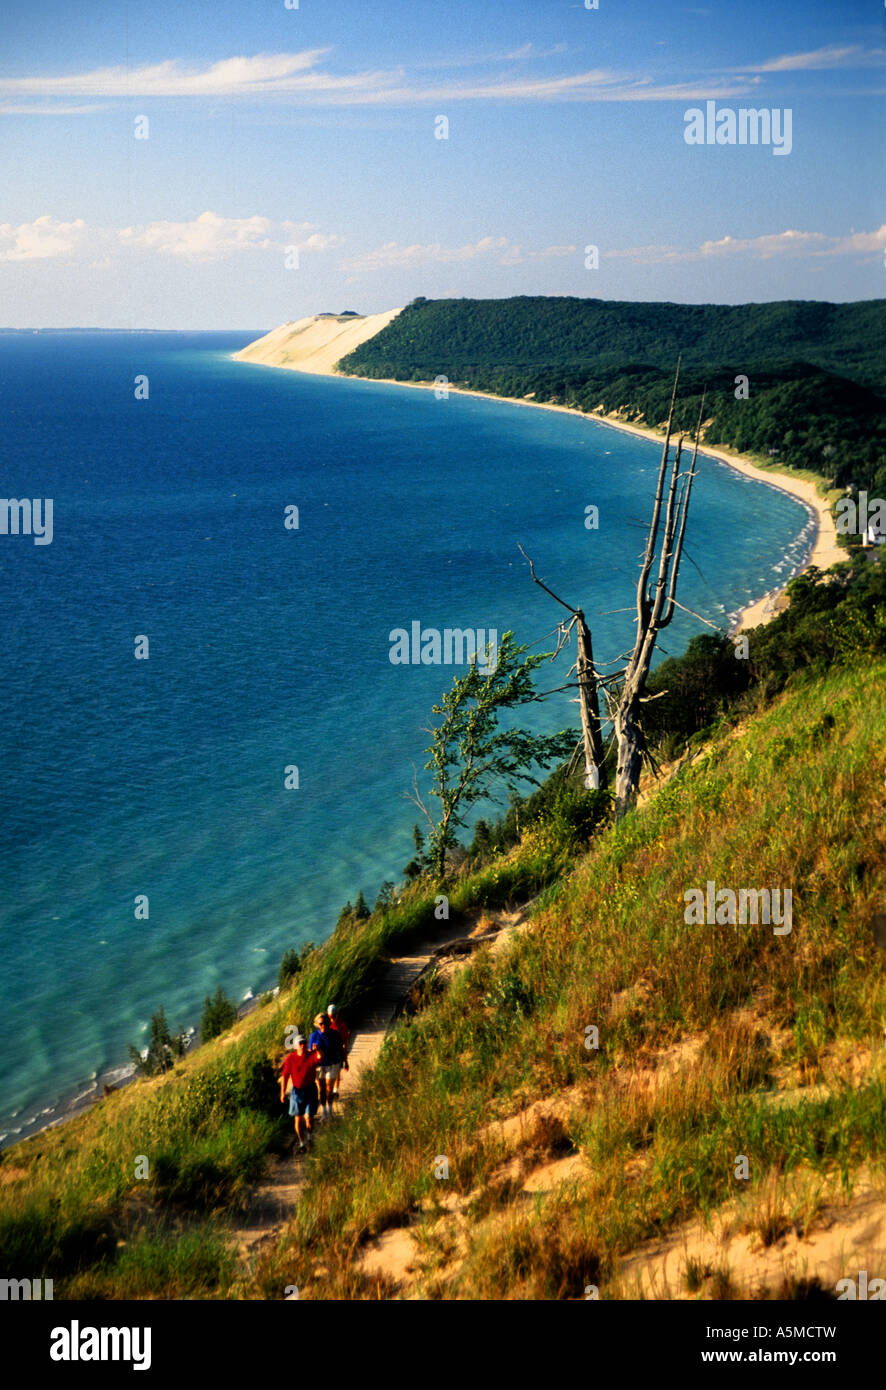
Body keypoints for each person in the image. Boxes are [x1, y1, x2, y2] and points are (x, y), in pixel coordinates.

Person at [279, 1031, 320, 1153]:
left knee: (309, 1117)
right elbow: (285, 1076)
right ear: (296, 1045)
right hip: (297, 1091)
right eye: (300, 1043)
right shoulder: (291, 1058)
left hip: (310, 1089)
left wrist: (318, 1050)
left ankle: (310, 1137)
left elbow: (320, 1058)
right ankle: (302, 1143)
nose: (302, 1045)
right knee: (298, 1119)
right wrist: (282, 1092)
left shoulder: (311, 1055)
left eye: (304, 1043)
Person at [308, 1012, 345, 1120]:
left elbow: (341, 1048)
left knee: (329, 1088)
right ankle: (324, 1112)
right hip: (320, 1066)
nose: (323, 1025)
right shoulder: (314, 1036)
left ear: (329, 1023)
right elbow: (310, 1052)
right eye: (321, 1024)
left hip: (333, 1064)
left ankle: (329, 1111)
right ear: (317, 1024)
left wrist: (344, 1061)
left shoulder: (335, 1034)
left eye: (325, 1023)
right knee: (321, 1090)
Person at [327, 1004, 350, 1102]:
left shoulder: (342, 1025)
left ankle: (335, 1090)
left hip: (338, 1051)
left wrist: (345, 1058)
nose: (332, 1019)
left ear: (337, 1015)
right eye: (330, 1017)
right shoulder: (326, 1025)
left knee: (337, 1072)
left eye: (333, 1016)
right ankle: (330, 1090)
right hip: (328, 1052)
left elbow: (345, 1042)